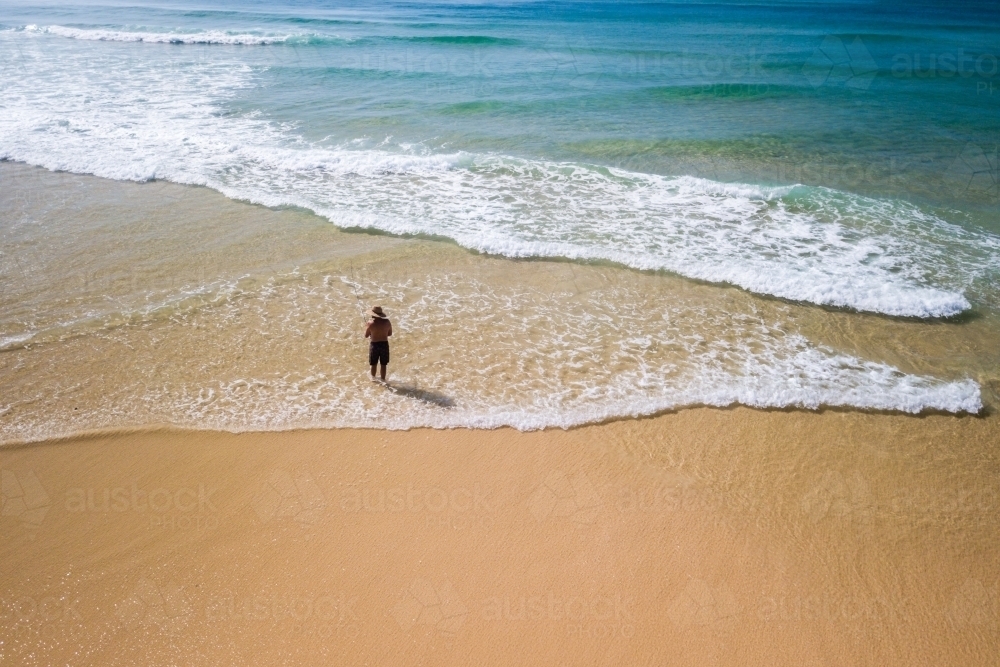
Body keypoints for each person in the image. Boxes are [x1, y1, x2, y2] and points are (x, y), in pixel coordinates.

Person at [364, 305, 392, 381]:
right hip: (384, 345)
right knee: (383, 364)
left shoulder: (370, 323)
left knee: (373, 364)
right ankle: (383, 379)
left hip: (374, 345)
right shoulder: (387, 322)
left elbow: (366, 335)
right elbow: (389, 334)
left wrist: (370, 332)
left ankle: (373, 379)